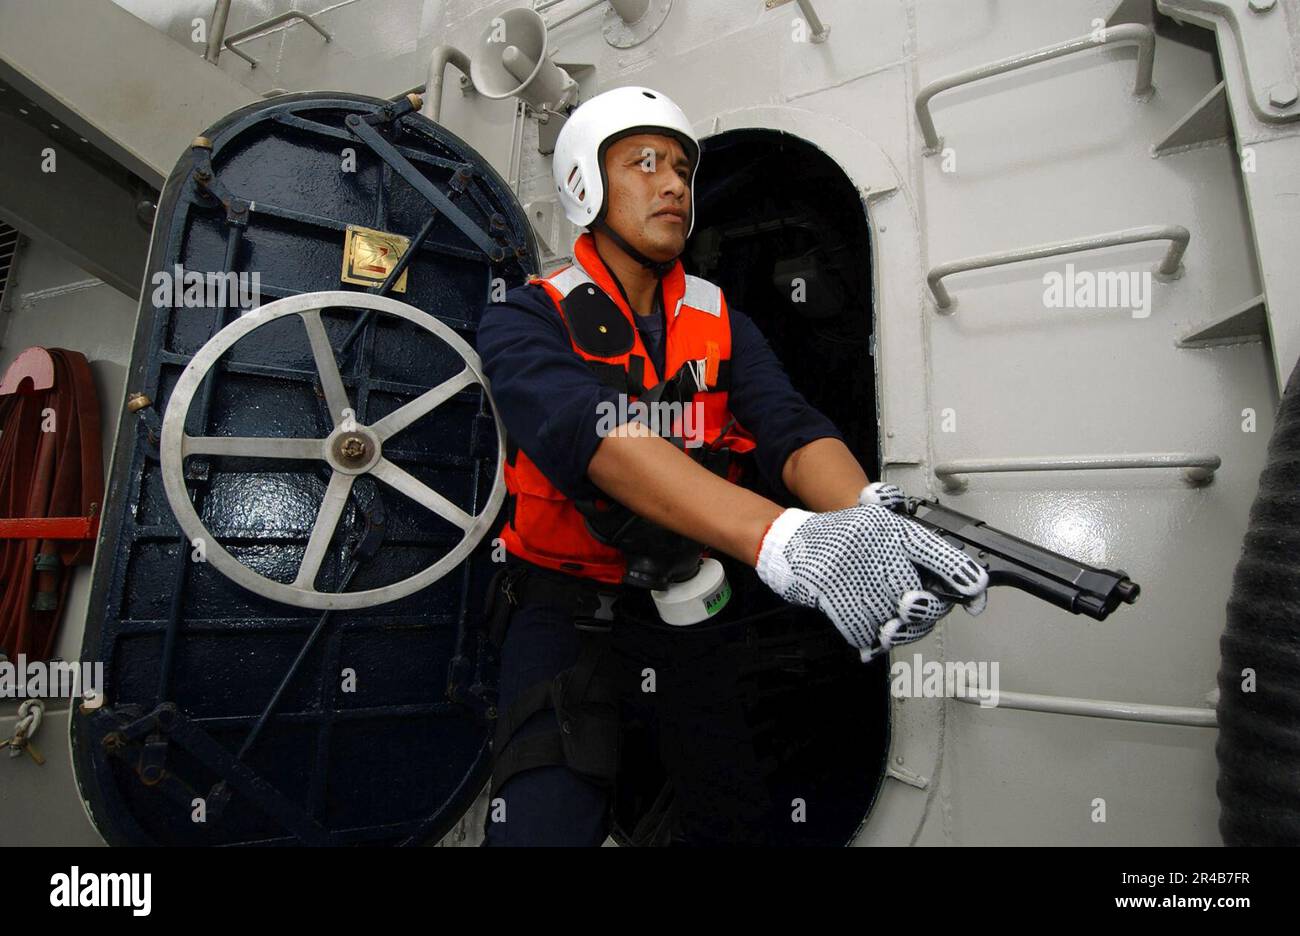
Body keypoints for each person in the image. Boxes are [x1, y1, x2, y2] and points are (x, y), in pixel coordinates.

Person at [474, 85, 989, 846]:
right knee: (541, 821)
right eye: (644, 164)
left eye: (682, 168)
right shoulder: (525, 316)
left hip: (687, 602)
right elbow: (589, 430)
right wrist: (781, 538)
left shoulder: (723, 321)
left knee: (735, 815)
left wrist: (866, 512)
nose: (673, 183)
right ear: (584, 181)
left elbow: (789, 429)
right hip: (564, 613)